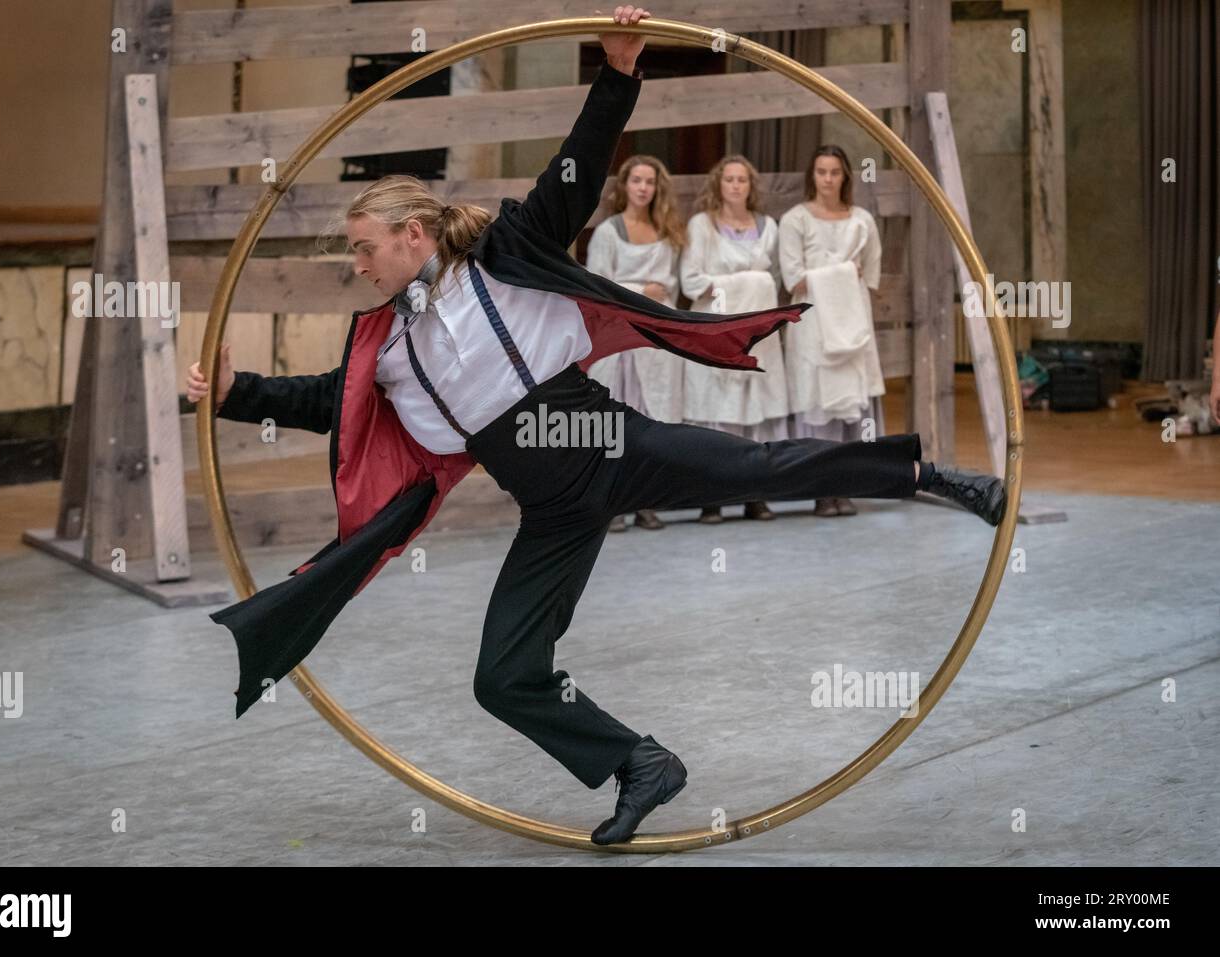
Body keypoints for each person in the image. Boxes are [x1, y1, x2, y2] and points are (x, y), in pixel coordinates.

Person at [187, 5, 1005, 847]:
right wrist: (233, 391)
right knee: (504, 677)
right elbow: (327, 399)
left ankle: (926, 477)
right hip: (552, 512)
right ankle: (641, 762)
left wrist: (618, 71)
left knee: (762, 465)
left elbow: (574, 174)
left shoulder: (503, 256)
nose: (355, 265)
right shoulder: (388, 346)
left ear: (412, 234)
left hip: (612, 446)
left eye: (363, 246)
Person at [679, 155, 791, 523]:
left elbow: (773, 278)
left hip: (757, 334)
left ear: (750, 185)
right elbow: (691, 279)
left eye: (742, 179)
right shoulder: (701, 225)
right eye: (729, 179)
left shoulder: (768, 227)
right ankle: (711, 498)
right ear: (718, 183)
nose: (736, 186)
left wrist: (752, 288)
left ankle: (754, 495)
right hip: (717, 328)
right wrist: (741, 282)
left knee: (753, 418)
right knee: (716, 417)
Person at [779, 145, 887, 518]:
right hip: (812, 325)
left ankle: (847, 485)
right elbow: (793, 278)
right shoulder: (796, 219)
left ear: (845, 177)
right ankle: (820, 489)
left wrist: (847, 280)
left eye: (835, 172)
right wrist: (841, 273)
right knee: (818, 406)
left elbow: (869, 275)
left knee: (849, 410)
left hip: (852, 321)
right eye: (821, 172)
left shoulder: (862, 220)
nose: (827, 179)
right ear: (813, 176)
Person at [584, 154, 688, 532]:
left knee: (652, 422)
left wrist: (659, 298)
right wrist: (641, 290)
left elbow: (672, 283)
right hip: (620, 337)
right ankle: (609, 502)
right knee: (616, 421)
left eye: (650, 181)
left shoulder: (668, 230)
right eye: (637, 180)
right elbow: (596, 286)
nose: (644, 188)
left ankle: (645, 500)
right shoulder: (609, 232)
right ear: (625, 186)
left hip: (656, 338)